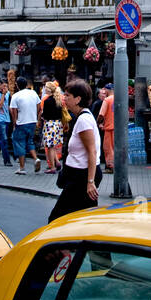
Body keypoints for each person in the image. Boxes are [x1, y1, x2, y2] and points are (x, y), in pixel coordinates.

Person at [48, 79, 101, 223]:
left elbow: (92, 151)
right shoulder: (81, 117)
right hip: (78, 175)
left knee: (57, 219)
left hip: (81, 177)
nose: (64, 98)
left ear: (78, 99)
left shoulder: (83, 120)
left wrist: (90, 182)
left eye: (67, 96)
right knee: (81, 219)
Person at [9, 76, 41, 174]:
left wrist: (14, 123)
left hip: (21, 122)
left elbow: (13, 110)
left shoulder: (16, 96)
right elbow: (39, 107)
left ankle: (22, 168)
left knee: (19, 143)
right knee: (30, 142)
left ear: (17, 85)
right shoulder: (33, 93)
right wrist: (35, 116)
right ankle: (35, 158)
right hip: (32, 121)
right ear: (26, 84)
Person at [39, 82, 65, 175]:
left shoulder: (47, 101)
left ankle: (52, 167)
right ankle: (57, 163)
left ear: (48, 89)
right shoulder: (58, 100)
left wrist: (42, 116)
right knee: (53, 146)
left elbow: (45, 115)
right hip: (58, 124)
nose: (44, 89)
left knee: (49, 147)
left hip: (50, 124)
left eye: (45, 88)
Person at [97, 82, 115, 173]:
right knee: (116, 147)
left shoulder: (107, 100)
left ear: (108, 90)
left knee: (108, 148)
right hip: (118, 128)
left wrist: (98, 122)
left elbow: (101, 114)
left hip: (109, 127)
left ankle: (110, 166)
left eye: (105, 90)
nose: (104, 92)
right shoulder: (120, 98)